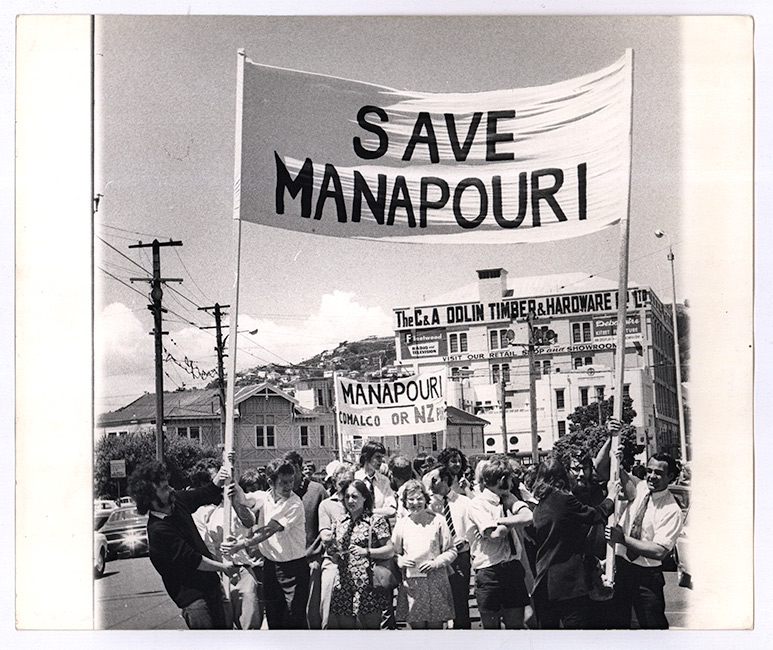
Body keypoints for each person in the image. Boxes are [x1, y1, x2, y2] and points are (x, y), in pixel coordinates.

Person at [128, 460, 237, 629]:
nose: (171, 489)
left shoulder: (177, 501)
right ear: (150, 498)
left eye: (168, 485)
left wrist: (219, 479)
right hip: (195, 600)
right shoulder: (158, 530)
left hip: (212, 586)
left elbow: (203, 493)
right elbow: (193, 560)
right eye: (164, 488)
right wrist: (224, 568)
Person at [530, 456, 618, 629]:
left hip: (544, 583)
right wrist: (611, 496)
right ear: (563, 477)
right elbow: (595, 515)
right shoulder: (563, 500)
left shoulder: (540, 506)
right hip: (567, 585)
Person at [224, 457, 309, 629]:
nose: (288, 486)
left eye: (291, 481)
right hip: (271, 567)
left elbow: (268, 530)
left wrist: (241, 544)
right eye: (283, 482)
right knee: (274, 618)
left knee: (293, 620)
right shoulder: (264, 497)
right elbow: (246, 501)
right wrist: (231, 477)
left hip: (294, 570)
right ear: (271, 482)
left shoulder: (294, 503)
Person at [605, 453, 684, 629]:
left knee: (650, 628)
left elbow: (659, 551)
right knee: (619, 625)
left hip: (646, 579)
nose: (652, 476)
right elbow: (608, 471)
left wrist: (623, 539)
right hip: (622, 570)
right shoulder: (640, 488)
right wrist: (615, 454)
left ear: (670, 476)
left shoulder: (671, 510)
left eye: (658, 473)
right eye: (649, 471)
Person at [466, 457, 533, 629]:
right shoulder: (478, 504)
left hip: (512, 568)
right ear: (502, 480)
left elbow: (528, 516)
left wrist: (503, 520)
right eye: (510, 479)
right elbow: (494, 535)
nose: (512, 483)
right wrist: (511, 519)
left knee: (515, 626)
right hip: (490, 571)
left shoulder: (508, 498)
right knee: (491, 628)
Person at [200, 469, 264, 629]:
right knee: (224, 626)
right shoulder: (209, 513)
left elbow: (249, 521)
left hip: (242, 571)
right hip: (220, 573)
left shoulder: (240, 509)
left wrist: (234, 500)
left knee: (249, 626)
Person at [328, 479, 394, 629]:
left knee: (371, 633)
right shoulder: (339, 523)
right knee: (347, 633)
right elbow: (334, 554)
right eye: (346, 497)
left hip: (368, 585)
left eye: (355, 496)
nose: (350, 501)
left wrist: (367, 552)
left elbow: (390, 550)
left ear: (365, 497)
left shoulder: (375, 521)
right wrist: (333, 553)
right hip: (343, 585)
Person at [392, 479, 457, 629]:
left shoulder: (438, 521)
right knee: (418, 631)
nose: (416, 503)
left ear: (426, 499)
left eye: (419, 498)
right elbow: (394, 553)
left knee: (436, 629)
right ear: (405, 501)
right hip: (413, 585)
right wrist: (399, 560)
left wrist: (436, 563)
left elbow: (451, 550)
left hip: (436, 581)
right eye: (411, 499)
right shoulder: (402, 524)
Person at [423, 466, 473, 629]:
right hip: (437, 559)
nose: (431, 484)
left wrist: (465, 540)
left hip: (460, 558)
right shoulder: (429, 506)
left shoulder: (464, 502)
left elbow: (472, 529)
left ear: (445, 480)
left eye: (434, 480)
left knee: (460, 600)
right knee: (438, 602)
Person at [284, 451, 328, 628]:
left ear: (301, 469)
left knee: (311, 612)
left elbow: (327, 522)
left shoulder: (317, 490)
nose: (291, 475)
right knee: (291, 610)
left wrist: (318, 554)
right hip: (286, 561)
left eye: (294, 469)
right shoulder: (281, 492)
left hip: (311, 560)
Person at [317, 463, 355, 629]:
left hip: (358, 562)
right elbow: (325, 533)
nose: (346, 489)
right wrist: (331, 535)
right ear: (333, 483)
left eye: (350, 484)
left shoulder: (360, 502)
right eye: (342, 485)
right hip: (334, 561)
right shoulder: (327, 505)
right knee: (328, 611)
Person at [355, 441, 396, 519]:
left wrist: (369, 512)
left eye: (382, 457)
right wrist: (381, 511)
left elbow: (391, 510)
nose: (381, 460)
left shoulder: (384, 481)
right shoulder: (355, 479)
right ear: (367, 457)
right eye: (377, 457)